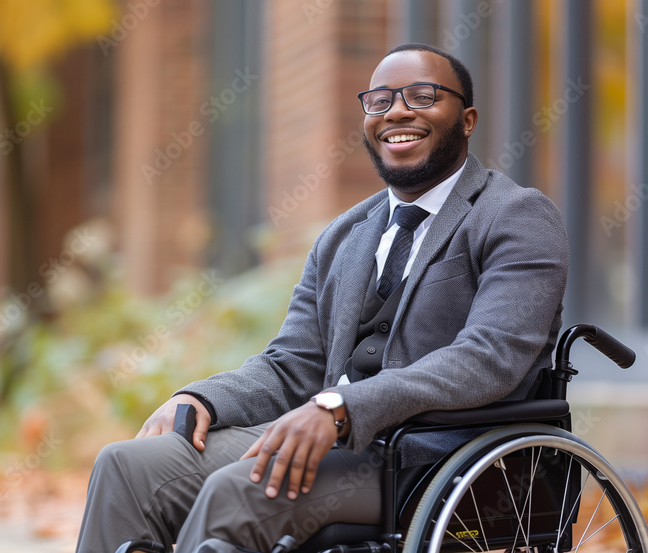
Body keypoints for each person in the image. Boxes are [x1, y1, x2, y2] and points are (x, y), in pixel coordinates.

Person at [74, 43, 568, 553]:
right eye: (379, 101)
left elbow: (490, 358)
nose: (397, 111)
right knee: (126, 466)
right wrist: (201, 397)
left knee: (237, 491)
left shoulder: (516, 216)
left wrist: (340, 406)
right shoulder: (345, 235)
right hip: (329, 442)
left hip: (436, 457)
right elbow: (293, 365)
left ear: (466, 120)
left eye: (423, 96)